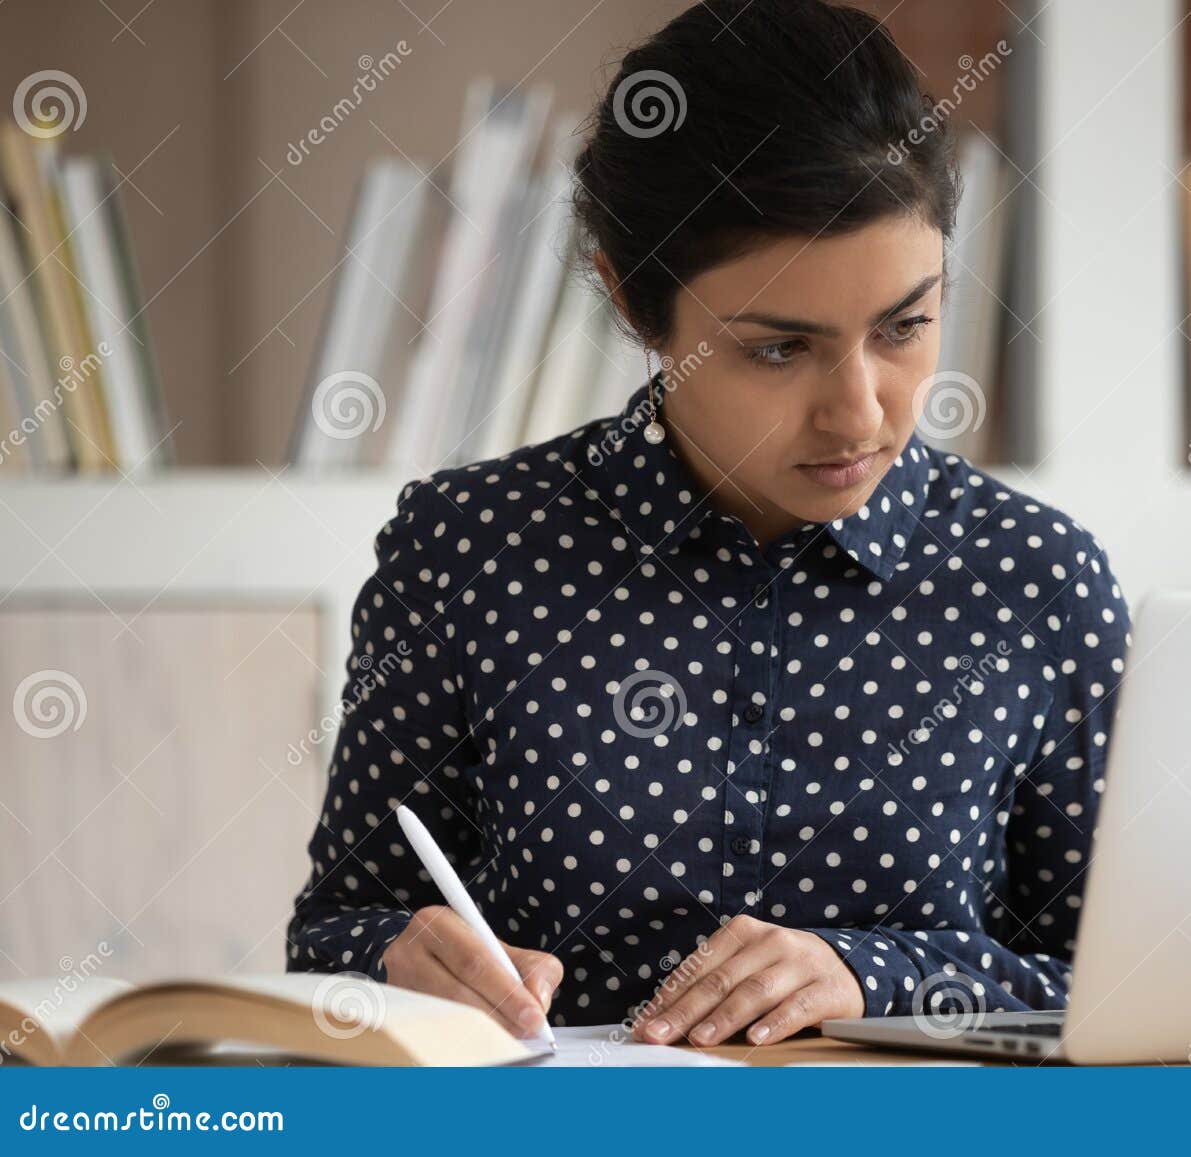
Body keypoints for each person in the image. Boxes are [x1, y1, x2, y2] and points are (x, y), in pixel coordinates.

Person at [287, 0, 1129, 1050]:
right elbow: (332, 935)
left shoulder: (1033, 577)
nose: (860, 411)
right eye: (780, 349)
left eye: (905, 325)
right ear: (636, 304)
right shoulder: (472, 550)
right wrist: (398, 959)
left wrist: (870, 970)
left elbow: (1128, 982)